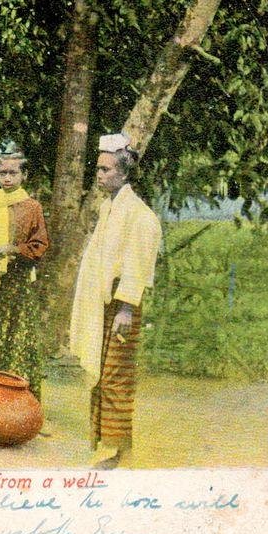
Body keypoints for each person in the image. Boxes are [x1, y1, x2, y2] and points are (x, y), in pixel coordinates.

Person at [69, 132, 162, 469]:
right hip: (103, 306)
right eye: (98, 169)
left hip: (123, 309)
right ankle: (105, 442)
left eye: (106, 170)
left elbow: (136, 265)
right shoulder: (109, 209)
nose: (99, 175)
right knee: (103, 372)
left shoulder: (139, 215)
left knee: (116, 375)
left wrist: (125, 308)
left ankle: (117, 447)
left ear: (123, 173)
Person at [0, 140, 49, 400]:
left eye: (13, 173)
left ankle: (23, 404)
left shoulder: (31, 207)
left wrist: (13, 249)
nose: (7, 178)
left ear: (24, 175)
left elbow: (40, 245)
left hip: (17, 284)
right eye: (2, 173)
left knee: (18, 339)